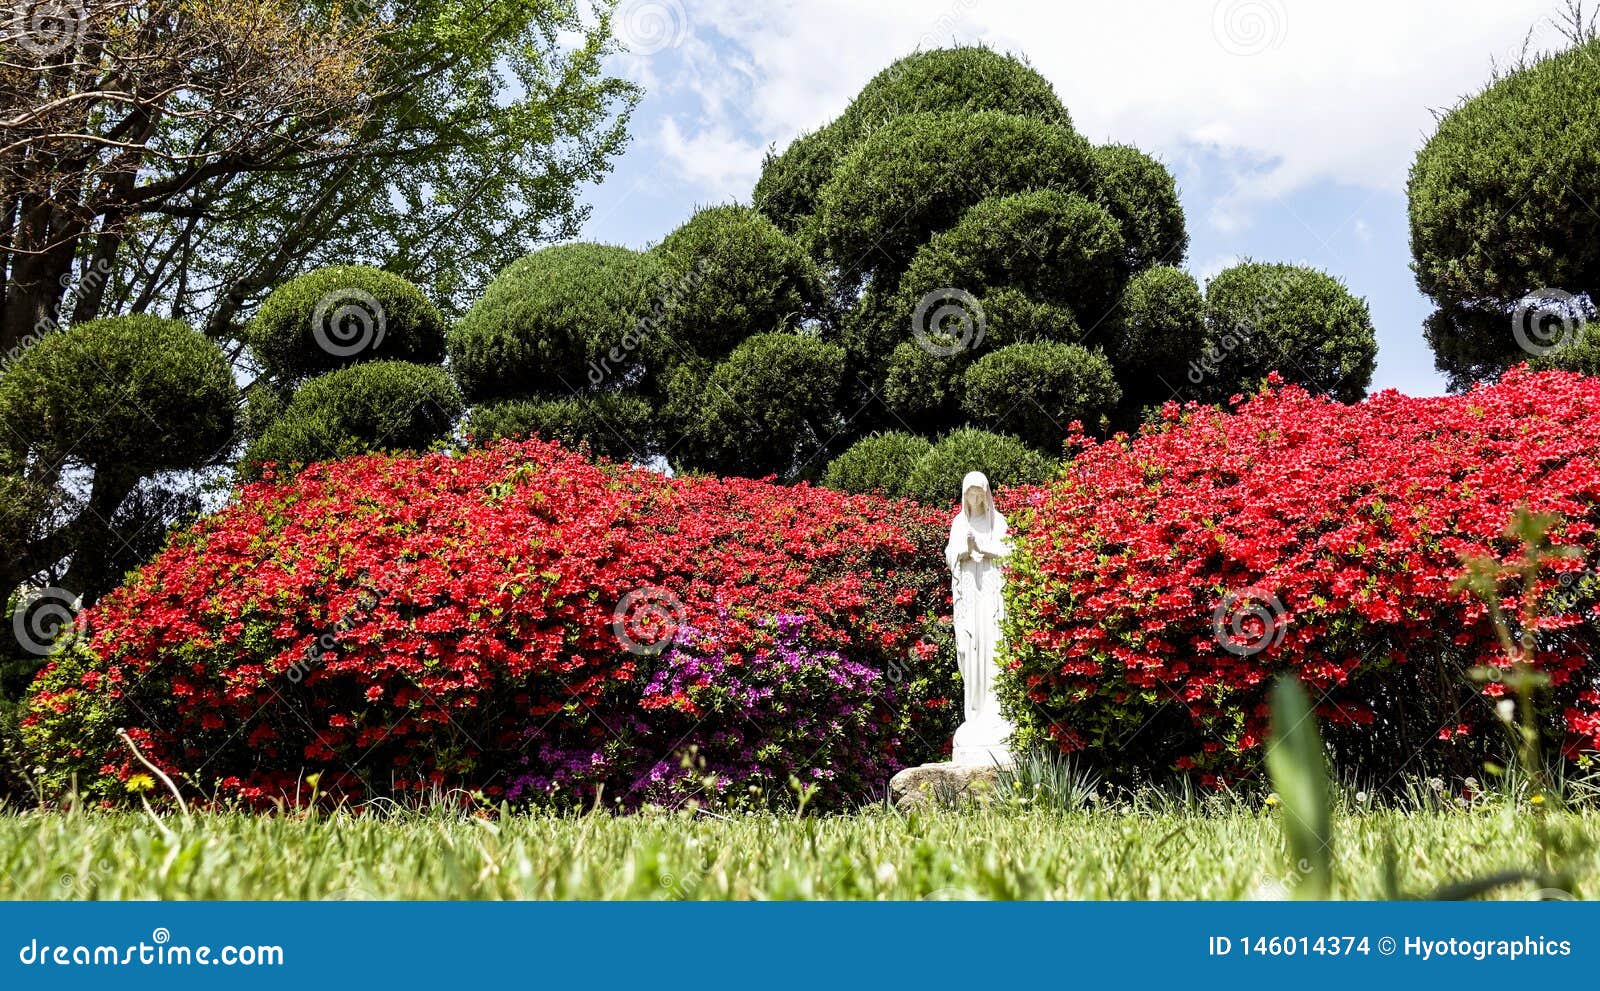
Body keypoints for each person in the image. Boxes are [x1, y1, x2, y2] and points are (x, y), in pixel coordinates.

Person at [943, 471, 1014, 764]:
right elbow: (950, 555)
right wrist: (964, 551)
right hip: (970, 601)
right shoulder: (959, 523)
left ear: (986, 494)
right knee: (969, 653)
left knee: (994, 649)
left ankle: (998, 714)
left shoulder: (999, 522)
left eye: (979, 493)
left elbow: (1010, 553)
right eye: (970, 493)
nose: (975, 498)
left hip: (993, 602)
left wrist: (983, 549)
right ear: (964, 495)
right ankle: (975, 715)